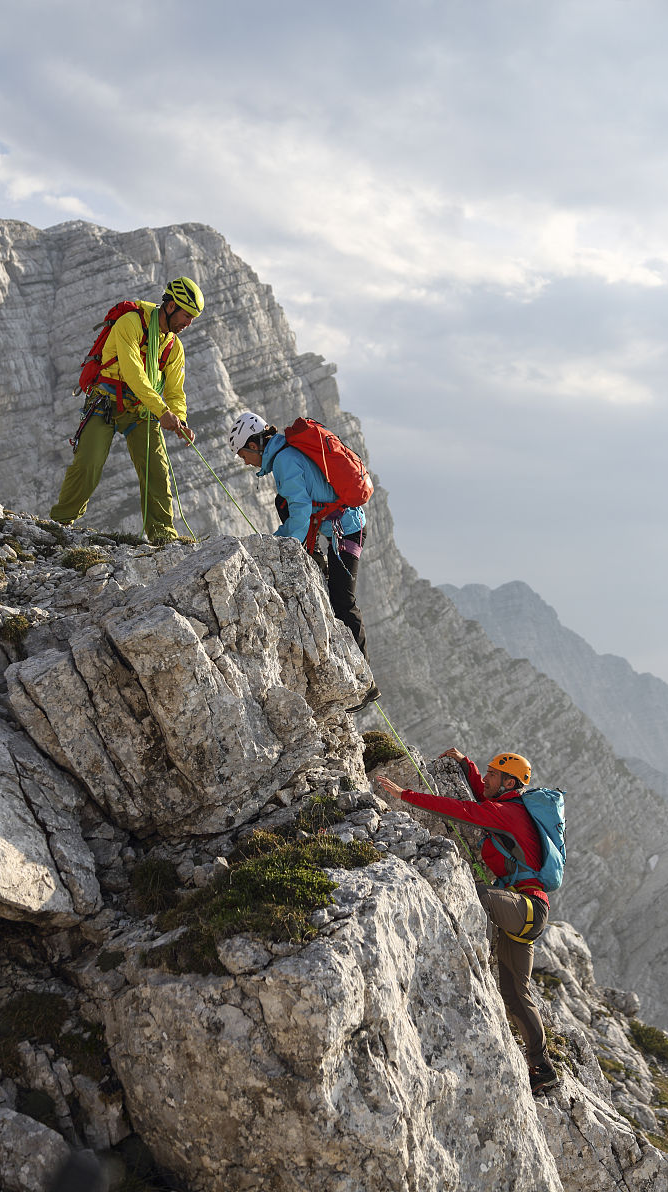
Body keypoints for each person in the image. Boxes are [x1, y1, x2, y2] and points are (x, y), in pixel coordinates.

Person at [376, 749, 559, 1096]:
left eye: (493, 774)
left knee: (473, 894)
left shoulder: (506, 813)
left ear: (509, 782)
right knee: (515, 995)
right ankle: (543, 1067)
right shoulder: (511, 809)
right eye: (487, 773)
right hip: (528, 915)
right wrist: (467, 765)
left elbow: (465, 810)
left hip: (525, 908)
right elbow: (482, 797)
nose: (487, 779)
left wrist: (405, 796)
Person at [228, 411, 380, 712]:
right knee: (280, 502)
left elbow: (299, 512)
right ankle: (316, 559)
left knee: (342, 599)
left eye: (243, 453)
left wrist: (279, 547)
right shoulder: (287, 451)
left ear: (255, 445)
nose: (245, 461)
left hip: (344, 529)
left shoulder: (285, 460)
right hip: (340, 524)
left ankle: (366, 681)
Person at [50, 277, 204, 543]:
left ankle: (162, 535)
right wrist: (162, 412)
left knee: (157, 470)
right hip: (106, 403)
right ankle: (61, 523)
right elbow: (133, 373)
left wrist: (179, 418)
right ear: (170, 306)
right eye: (186, 315)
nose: (188, 323)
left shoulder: (174, 347)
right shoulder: (130, 323)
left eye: (192, 318)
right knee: (88, 463)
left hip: (142, 411)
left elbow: (176, 391)